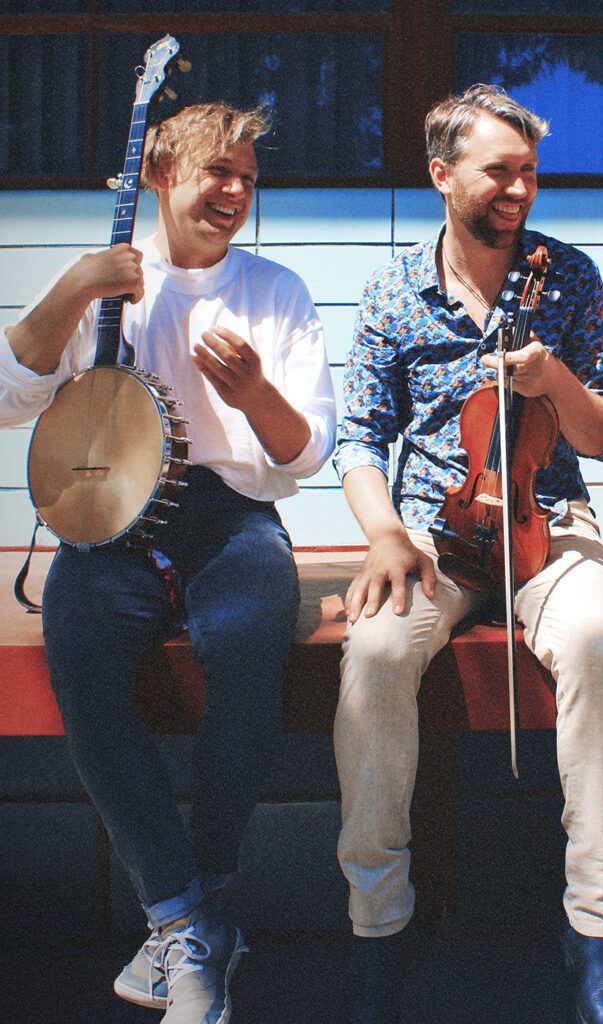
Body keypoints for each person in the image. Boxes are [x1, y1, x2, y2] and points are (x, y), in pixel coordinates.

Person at [0, 102, 336, 1024]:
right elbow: (6, 397)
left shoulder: (276, 291)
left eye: (247, 178)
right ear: (157, 175)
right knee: (78, 650)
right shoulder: (103, 282)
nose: (234, 191)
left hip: (231, 518)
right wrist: (74, 287)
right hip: (110, 513)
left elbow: (304, 456)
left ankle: (199, 895)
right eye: (215, 172)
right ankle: (185, 915)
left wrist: (256, 393)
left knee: (246, 643)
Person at [333, 84, 603, 1024]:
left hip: (551, 524)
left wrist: (556, 384)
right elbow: (357, 437)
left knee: (596, 645)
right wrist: (384, 532)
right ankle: (378, 923)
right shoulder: (393, 292)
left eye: (528, 171)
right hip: (433, 526)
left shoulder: (569, 278)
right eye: (498, 169)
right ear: (442, 174)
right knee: (375, 656)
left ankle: (595, 927)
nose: (519, 187)